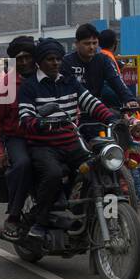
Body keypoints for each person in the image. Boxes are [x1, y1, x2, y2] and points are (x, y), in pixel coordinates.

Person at [18, 38, 117, 239]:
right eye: (50, 59)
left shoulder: (69, 81)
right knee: (53, 174)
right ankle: (40, 220)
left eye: (58, 59)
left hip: (72, 142)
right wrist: (42, 123)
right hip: (43, 145)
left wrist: (113, 119)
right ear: (39, 62)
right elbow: (25, 118)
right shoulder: (29, 86)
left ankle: (109, 218)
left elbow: (90, 102)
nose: (55, 63)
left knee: (101, 167)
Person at [0, 36, 36, 239]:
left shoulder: (47, 77)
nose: (23, 62)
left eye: (27, 57)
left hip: (49, 136)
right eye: (18, 58)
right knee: (22, 164)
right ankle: (13, 216)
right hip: (18, 138)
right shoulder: (6, 85)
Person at [62, 23, 139, 110]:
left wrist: (129, 99)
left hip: (97, 110)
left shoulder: (103, 60)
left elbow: (116, 80)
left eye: (94, 43)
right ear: (77, 43)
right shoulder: (66, 62)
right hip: (72, 110)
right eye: (87, 44)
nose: (91, 47)